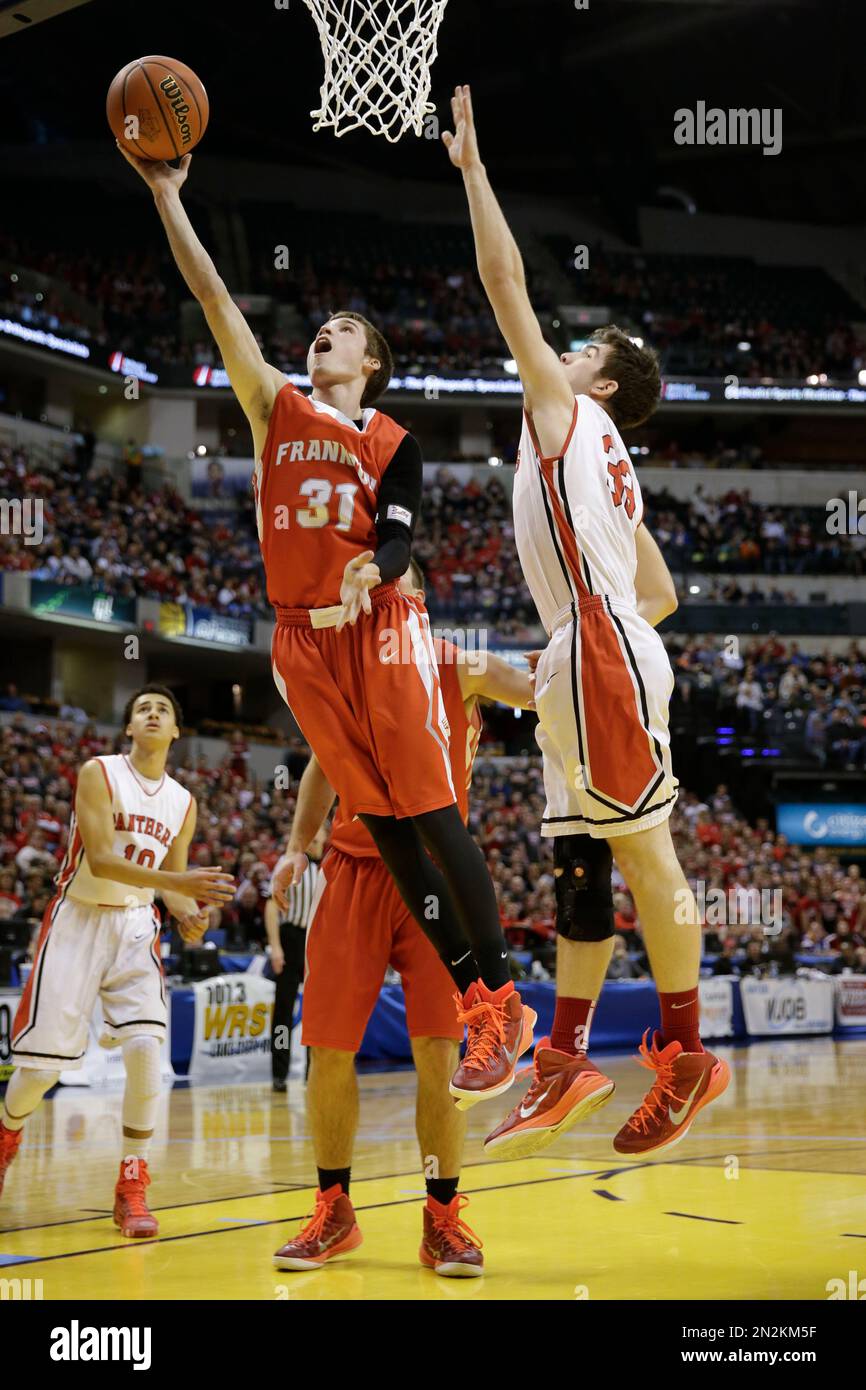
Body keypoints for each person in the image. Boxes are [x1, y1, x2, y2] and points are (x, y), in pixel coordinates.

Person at [116, 138, 535, 1109]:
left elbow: (396, 541)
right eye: (323, 328)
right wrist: (168, 195)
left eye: (343, 330)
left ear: (371, 362)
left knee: (429, 815)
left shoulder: (394, 442)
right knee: (385, 830)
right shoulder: (275, 409)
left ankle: (502, 996)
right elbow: (220, 302)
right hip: (298, 639)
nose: (325, 336)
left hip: (380, 622)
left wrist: (367, 574)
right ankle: (477, 998)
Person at [445, 85, 730, 1158]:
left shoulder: (571, 415)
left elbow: (502, 279)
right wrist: (564, 655)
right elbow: (658, 592)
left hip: (598, 648)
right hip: (594, 647)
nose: (555, 350)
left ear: (600, 377)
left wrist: (473, 171)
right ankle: (561, 1061)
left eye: (578, 347)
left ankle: (690, 1052)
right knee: (578, 874)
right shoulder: (613, 469)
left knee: (647, 859)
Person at [269, 561, 535, 1277]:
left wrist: (592, 654)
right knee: (327, 1049)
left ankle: (442, 1218)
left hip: (439, 885)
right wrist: (299, 846)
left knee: (441, 1057)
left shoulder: (460, 663)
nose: (376, 596)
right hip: (354, 872)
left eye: (393, 585)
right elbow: (325, 761)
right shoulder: (344, 669)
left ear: (415, 598)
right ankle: (334, 1211)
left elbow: (541, 689)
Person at [0, 686, 235, 1230]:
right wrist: (175, 883)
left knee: (146, 1053)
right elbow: (103, 860)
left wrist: (187, 912)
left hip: (135, 924)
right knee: (39, 1073)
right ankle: (7, 1134)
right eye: (142, 709)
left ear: (176, 731)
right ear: (129, 728)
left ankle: (132, 1183)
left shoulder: (183, 800)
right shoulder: (98, 772)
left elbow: (170, 881)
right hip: (78, 918)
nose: (153, 714)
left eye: (164, 710)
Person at [266, 824, 327, 1092]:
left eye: (319, 834)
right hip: (290, 938)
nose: (314, 838)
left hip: (317, 940)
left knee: (317, 1011)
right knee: (283, 1010)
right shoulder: (289, 861)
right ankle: (279, 1074)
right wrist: (275, 947)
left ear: (325, 837)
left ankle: (312, 1073)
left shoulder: (330, 867)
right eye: (310, 833)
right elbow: (271, 905)